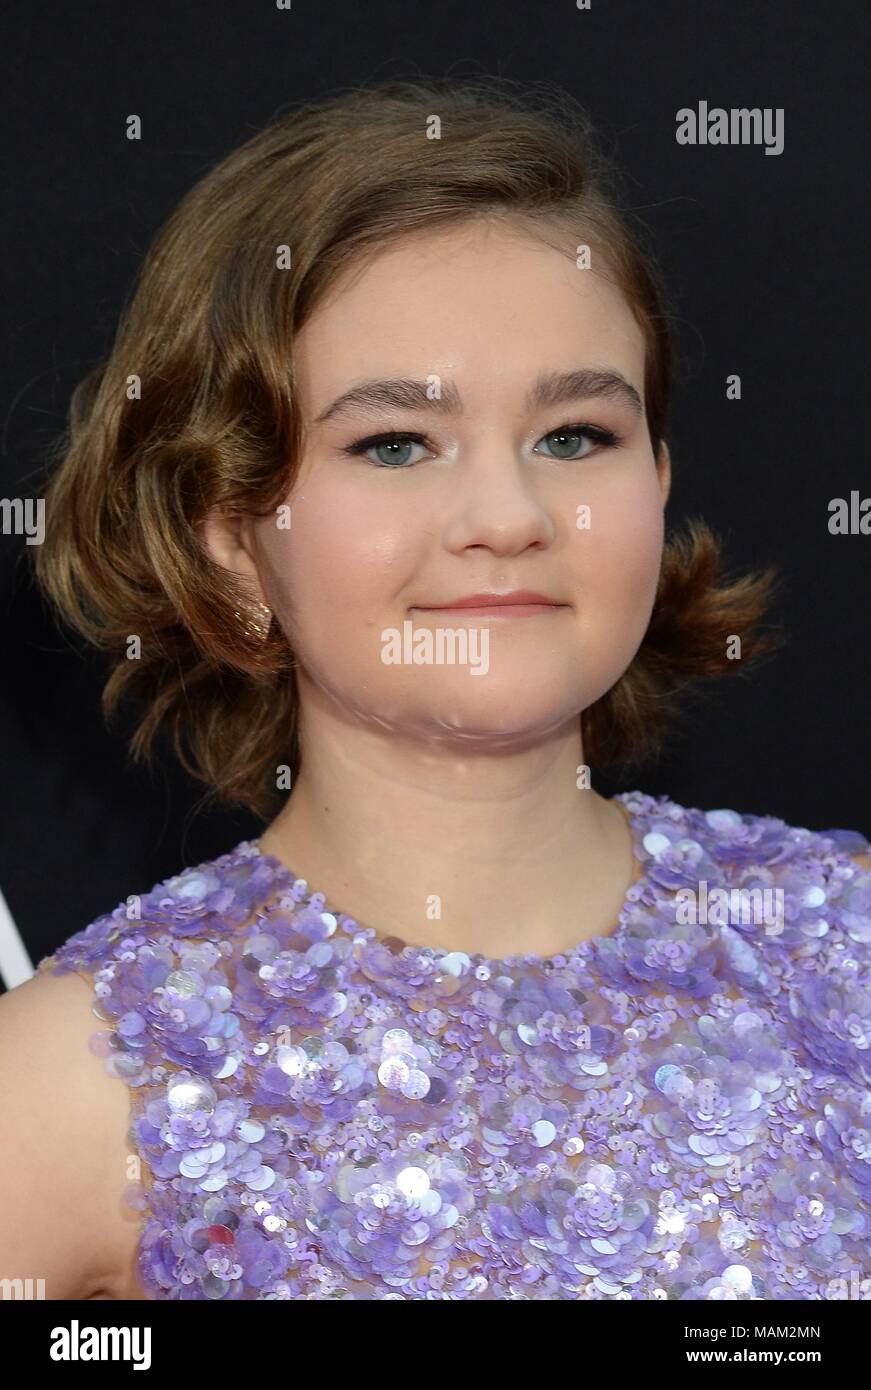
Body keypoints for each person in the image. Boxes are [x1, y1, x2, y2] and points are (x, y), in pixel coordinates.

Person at [1, 76, 869, 1302]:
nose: (507, 516)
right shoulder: (80, 1081)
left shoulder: (845, 943)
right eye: (394, 443)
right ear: (233, 541)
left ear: (657, 481)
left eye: (574, 434)